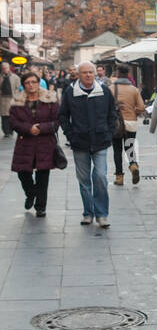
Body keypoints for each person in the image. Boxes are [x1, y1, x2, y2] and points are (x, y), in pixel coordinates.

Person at [58, 59, 116, 227]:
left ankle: (102, 214)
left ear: (95, 73)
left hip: (100, 140)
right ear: (79, 75)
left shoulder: (104, 91)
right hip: (80, 142)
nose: (88, 75)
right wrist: (70, 134)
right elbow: (63, 115)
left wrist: (109, 132)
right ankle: (88, 213)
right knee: (84, 181)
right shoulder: (70, 92)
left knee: (100, 177)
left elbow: (112, 113)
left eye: (91, 72)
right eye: (85, 72)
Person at [9, 69, 60, 216]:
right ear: (23, 85)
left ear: (39, 83)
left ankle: (40, 207)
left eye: (33, 82)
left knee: (43, 175)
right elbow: (13, 122)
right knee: (22, 172)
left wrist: (42, 128)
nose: (31, 85)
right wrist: (28, 128)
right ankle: (30, 193)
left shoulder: (50, 99)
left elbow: (57, 121)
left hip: (45, 142)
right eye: (27, 82)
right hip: (25, 142)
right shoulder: (17, 101)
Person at [111, 65, 146, 186]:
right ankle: (133, 165)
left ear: (117, 74)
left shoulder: (110, 88)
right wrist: (133, 112)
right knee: (129, 147)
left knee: (117, 150)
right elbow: (141, 107)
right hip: (131, 123)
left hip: (115, 124)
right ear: (128, 75)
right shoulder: (134, 90)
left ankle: (119, 177)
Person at [1, 62, 22, 138]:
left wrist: (16, 95)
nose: (5, 70)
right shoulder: (0, 77)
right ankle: (6, 131)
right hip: (3, 99)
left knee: (11, 116)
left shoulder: (15, 77)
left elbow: (19, 88)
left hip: (12, 99)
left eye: (6, 68)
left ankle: (11, 131)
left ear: (9, 68)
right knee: (4, 117)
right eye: (3, 68)